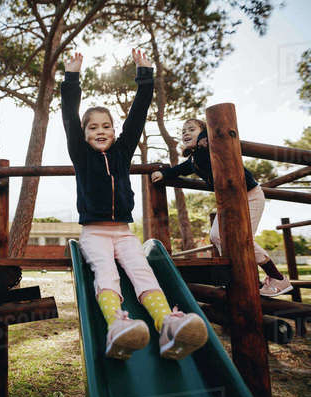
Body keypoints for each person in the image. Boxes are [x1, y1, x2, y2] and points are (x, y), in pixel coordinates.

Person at [61, 50, 208, 360]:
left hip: (124, 233)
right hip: (95, 233)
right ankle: (116, 325)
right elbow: (68, 116)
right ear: (84, 133)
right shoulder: (81, 154)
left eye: (106, 126)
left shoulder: (122, 152)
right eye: (93, 127)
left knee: (143, 272)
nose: (100, 131)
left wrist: (145, 75)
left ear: (115, 132)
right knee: (107, 273)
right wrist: (72, 78)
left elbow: (138, 112)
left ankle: (166, 324)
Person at [151, 119, 293, 297]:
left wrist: (204, 137)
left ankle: (277, 277)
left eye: (191, 130)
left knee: (243, 239)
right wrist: (163, 173)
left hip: (250, 196)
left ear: (203, 132)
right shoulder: (195, 159)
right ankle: (245, 280)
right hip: (229, 202)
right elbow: (179, 169)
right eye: (183, 131)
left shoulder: (213, 146)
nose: (186, 133)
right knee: (216, 235)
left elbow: (214, 134)